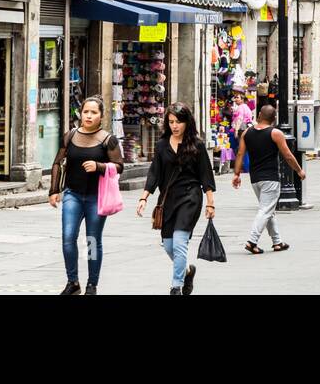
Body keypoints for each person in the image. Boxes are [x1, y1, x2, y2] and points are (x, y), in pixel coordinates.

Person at [137, 103, 216, 295]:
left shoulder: (196, 145)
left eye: (179, 121)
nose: (175, 126)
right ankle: (188, 271)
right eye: (171, 122)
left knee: (180, 242)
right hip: (168, 198)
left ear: (187, 122)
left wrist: (210, 202)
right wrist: (144, 198)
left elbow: (206, 175)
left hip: (190, 197)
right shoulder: (162, 145)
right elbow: (154, 173)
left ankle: (176, 286)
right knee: (169, 245)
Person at [49, 96, 124, 296]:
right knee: (68, 238)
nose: (89, 116)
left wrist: (99, 166)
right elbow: (57, 162)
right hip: (72, 194)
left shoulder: (108, 140)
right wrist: (54, 190)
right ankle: (73, 282)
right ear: (80, 113)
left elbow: (119, 166)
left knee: (92, 239)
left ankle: (92, 285)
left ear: (101, 116)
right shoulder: (70, 135)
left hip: (96, 197)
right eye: (86, 112)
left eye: (94, 112)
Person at [233, 104, 304, 254]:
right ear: (274, 119)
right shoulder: (275, 133)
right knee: (265, 210)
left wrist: (236, 174)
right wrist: (299, 170)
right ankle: (252, 241)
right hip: (270, 178)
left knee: (268, 210)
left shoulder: (247, 132)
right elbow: (288, 155)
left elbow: (240, 154)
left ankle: (277, 242)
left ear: (259, 115)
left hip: (255, 179)